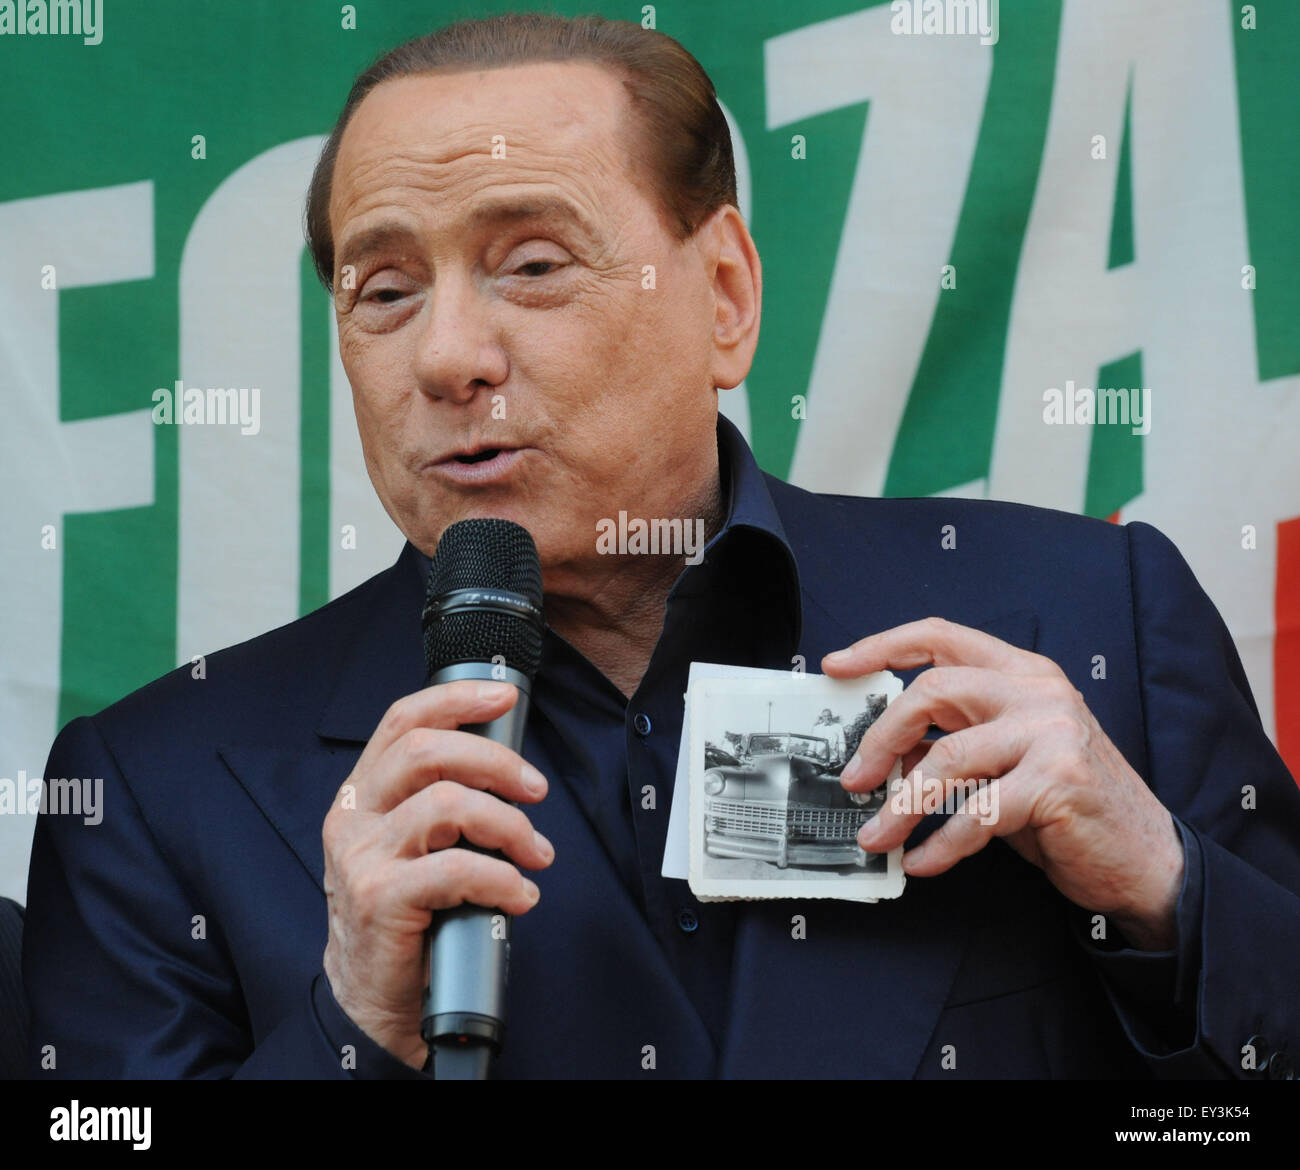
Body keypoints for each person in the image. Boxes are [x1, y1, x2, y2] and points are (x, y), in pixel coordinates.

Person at [23, 12, 1300, 1080]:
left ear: (727, 298)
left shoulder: (1083, 622)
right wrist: (351, 1027)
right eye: (386, 290)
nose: (448, 357)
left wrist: (1166, 895)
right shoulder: (157, 792)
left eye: (530, 264)